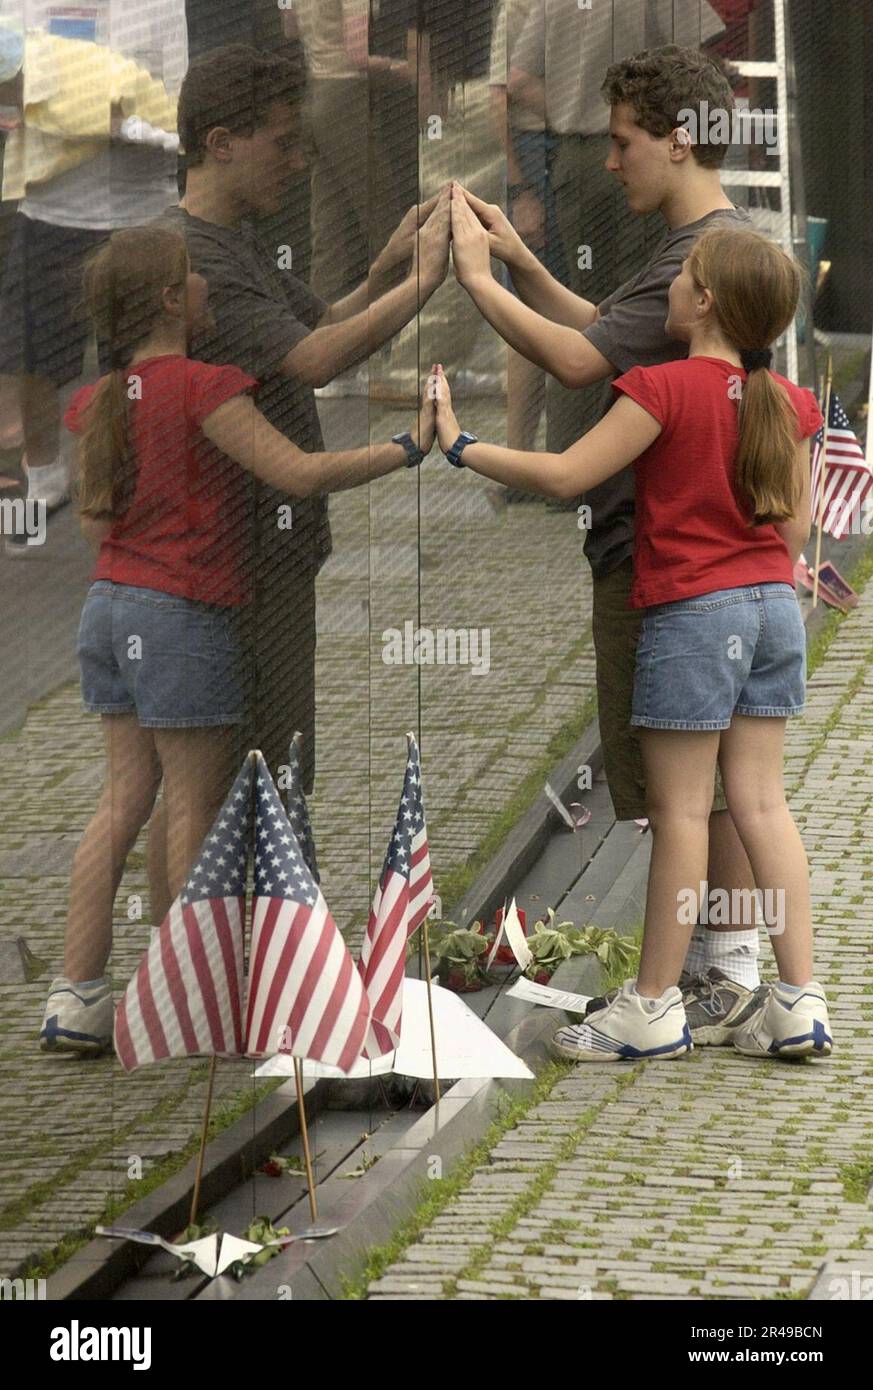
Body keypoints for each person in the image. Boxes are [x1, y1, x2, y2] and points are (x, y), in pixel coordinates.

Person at [430, 221, 833, 1062]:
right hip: (771, 611)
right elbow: (794, 532)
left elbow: (565, 475)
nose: (672, 289)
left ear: (707, 300)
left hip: (693, 616)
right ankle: (796, 999)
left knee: (681, 813)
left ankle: (651, 1006)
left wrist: (463, 446)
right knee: (763, 805)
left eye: (684, 275)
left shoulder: (657, 388)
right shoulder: (787, 402)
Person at [38, 225, 437, 1056]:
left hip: (109, 609)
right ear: (170, 301)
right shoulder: (203, 386)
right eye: (193, 279)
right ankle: (192, 996)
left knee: (123, 803)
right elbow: (297, 473)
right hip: (183, 617)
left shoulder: (101, 399)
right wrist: (406, 448)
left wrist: (384, 267)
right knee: (195, 807)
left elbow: (95, 523)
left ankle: (77, 995)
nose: (207, 288)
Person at [450, 45, 778, 1043]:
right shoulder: (712, 246)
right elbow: (615, 326)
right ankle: (734, 973)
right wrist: (521, 261)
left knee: (684, 791)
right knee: (720, 785)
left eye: (624, 141)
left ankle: (689, 986)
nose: (607, 161)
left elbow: (583, 356)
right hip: (720, 565)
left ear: (680, 142)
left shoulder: (689, 255)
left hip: (657, 558)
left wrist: (473, 278)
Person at [147, 43, 450, 929]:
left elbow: (319, 318)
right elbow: (316, 360)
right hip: (242, 551)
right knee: (264, 762)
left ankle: (241, 956)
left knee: (262, 756)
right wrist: (431, 282)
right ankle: (252, 964)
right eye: (283, 142)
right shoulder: (192, 262)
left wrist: (393, 262)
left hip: (271, 547)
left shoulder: (228, 244)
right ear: (220, 141)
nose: (298, 159)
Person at [0, 0, 187, 556]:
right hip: (49, 207)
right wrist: (61, 109)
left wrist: (126, 124)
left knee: (135, 361)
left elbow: (177, 97)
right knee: (31, 356)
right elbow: (9, 79)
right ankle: (44, 480)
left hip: (139, 210)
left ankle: (132, 487)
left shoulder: (160, 4)